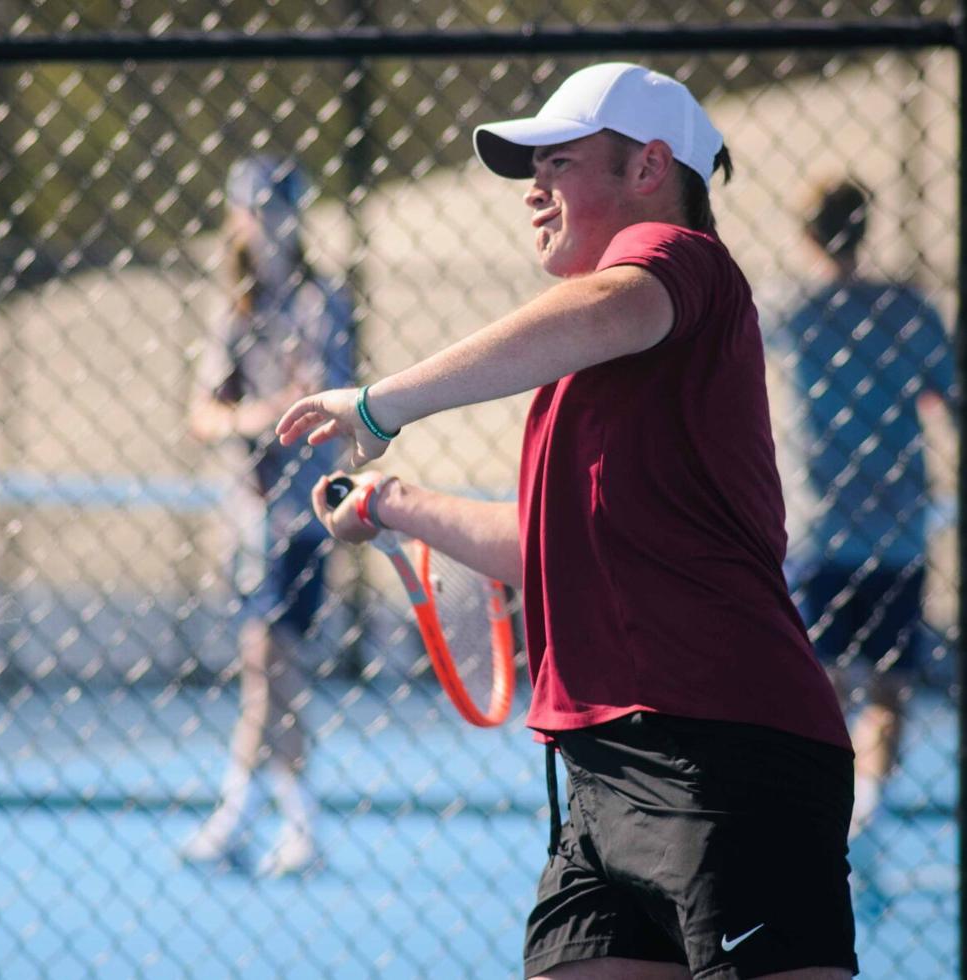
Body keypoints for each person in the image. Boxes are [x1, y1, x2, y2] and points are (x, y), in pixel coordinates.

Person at [277, 63, 857, 978]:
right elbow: (550, 547)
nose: (532, 192)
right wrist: (395, 503)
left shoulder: (682, 264)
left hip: (730, 747)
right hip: (599, 772)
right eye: (530, 170)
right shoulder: (589, 362)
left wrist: (382, 405)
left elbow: (600, 305)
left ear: (649, 167)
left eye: (559, 163)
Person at [178, 156, 355, 877]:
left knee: (271, 662)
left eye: (281, 208)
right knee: (268, 668)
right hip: (249, 514)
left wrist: (302, 412)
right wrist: (252, 415)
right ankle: (270, 820)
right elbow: (202, 415)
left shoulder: (325, 303)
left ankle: (261, 818)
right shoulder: (234, 311)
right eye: (257, 208)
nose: (269, 222)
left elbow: (340, 406)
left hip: (306, 514)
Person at [777, 178, 955, 839]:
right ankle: (867, 807)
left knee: (818, 679)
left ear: (806, 233)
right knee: (889, 684)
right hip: (899, 527)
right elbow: (950, 394)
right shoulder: (909, 309)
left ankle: (820, 804)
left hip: (821, 527)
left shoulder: (794, 308)